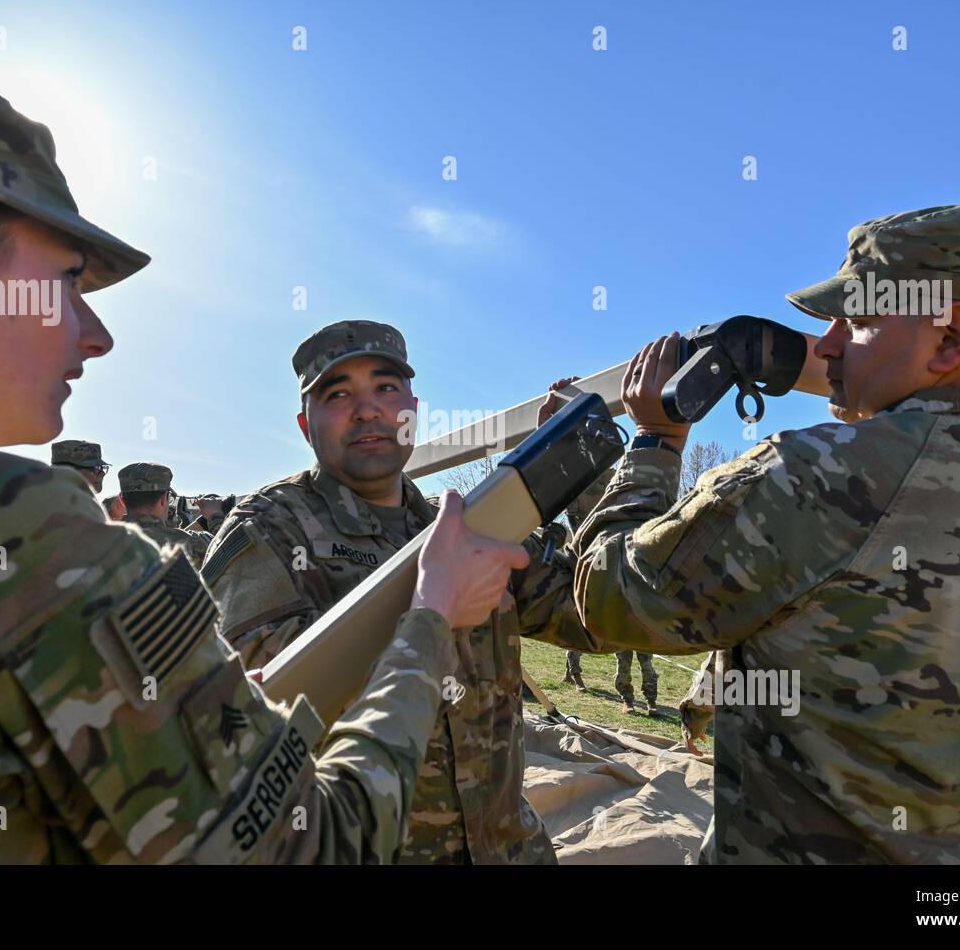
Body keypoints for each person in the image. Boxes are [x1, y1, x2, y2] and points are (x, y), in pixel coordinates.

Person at [0, 49, 528, 864]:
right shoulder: (7, 528)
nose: (96, 333)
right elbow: (311, 846)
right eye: (67, 279)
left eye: (388, 388)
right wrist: (430, 616)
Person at [572, 205, 960, 864]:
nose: (824, 346)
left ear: (949, 339)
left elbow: (612, 600)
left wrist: (653, 442)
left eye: (858, 320)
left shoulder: (818, 473)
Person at [202, 320, 607, 864]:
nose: (368, 410)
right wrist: (432, 614)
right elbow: (265, 715)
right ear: (305, 425)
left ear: (414, 407)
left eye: (386, 388)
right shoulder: (269, 530)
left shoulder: (465, 522)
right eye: (338, 394)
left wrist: (577, 468)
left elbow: (595, 614)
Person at [117, 462, 212, 568]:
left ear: (122, 499)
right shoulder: (189, 544)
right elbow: (224, 552)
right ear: (163, 499)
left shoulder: (103, 540)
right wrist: (215, 516)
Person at [613, 650, 658, 715]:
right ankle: (627, 701)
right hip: (624, 640)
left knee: (647, 667)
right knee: (623, 666)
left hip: (645, 640)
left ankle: (651, 702)